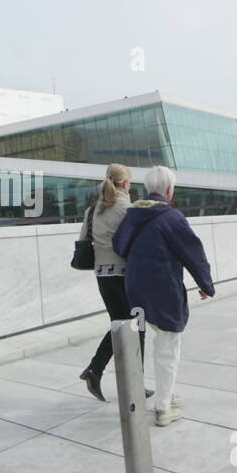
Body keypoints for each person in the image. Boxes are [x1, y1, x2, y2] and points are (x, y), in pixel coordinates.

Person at [113, 166, 215, 427]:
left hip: (134, 287)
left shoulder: (132, 215)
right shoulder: (172, 217)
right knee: (168, 346)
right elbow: (193, 253)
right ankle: (163, 408)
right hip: (162, 289)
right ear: (169, 190)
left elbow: (119, 245)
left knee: (147, 342)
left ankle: (163, 394)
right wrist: (205, 285)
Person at [77, 164, 151, 402]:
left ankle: (94, 370)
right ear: (126, 184)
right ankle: (134, 384)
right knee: (136, 327)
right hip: (127, 277)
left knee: (119, 325)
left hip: (103, 277)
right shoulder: (127, 209)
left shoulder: (92, 211)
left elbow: (82, 241)